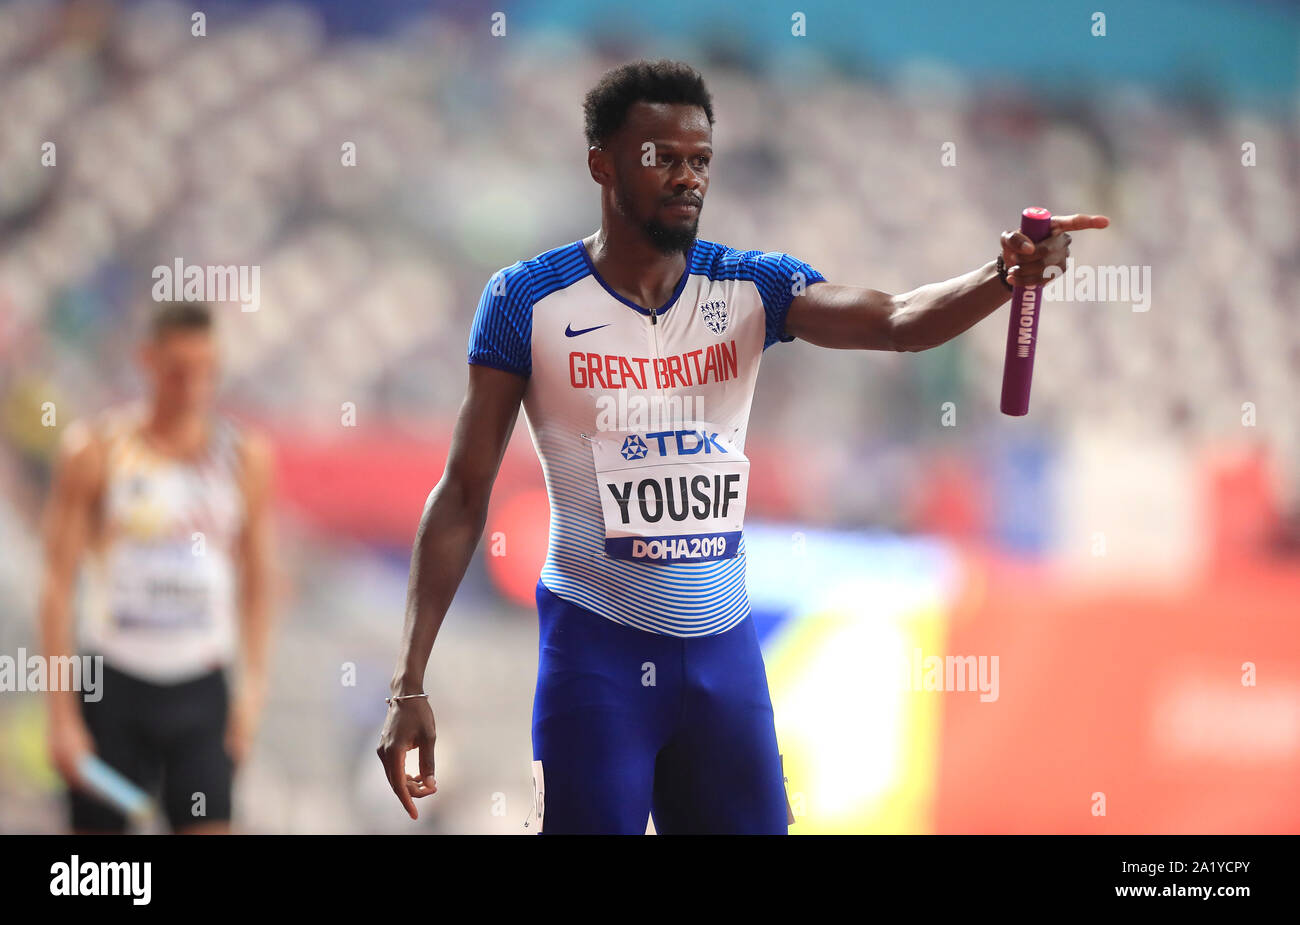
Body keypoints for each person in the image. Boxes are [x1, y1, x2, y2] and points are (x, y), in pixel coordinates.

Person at [376, 59, 1107, 834]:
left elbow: (895, 319)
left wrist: (1002, 276)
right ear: (603, 163)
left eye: (702, 160)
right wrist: (408, 682)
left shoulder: (750, 287)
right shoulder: (526, 300)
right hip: (597, 659)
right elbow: (462, 495)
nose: (688, 177)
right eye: (664, 157)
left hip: (724, 658)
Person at [39, 300, 275, 834]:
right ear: (147, 360)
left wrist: (253, 690)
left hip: (200, 683)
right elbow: (57, 584)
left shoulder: (244, 458)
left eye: (205, 371)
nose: (192, 386)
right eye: (177, 371)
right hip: (112, 684)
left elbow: (259, 581)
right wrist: (61, 717)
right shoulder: (94, 452)